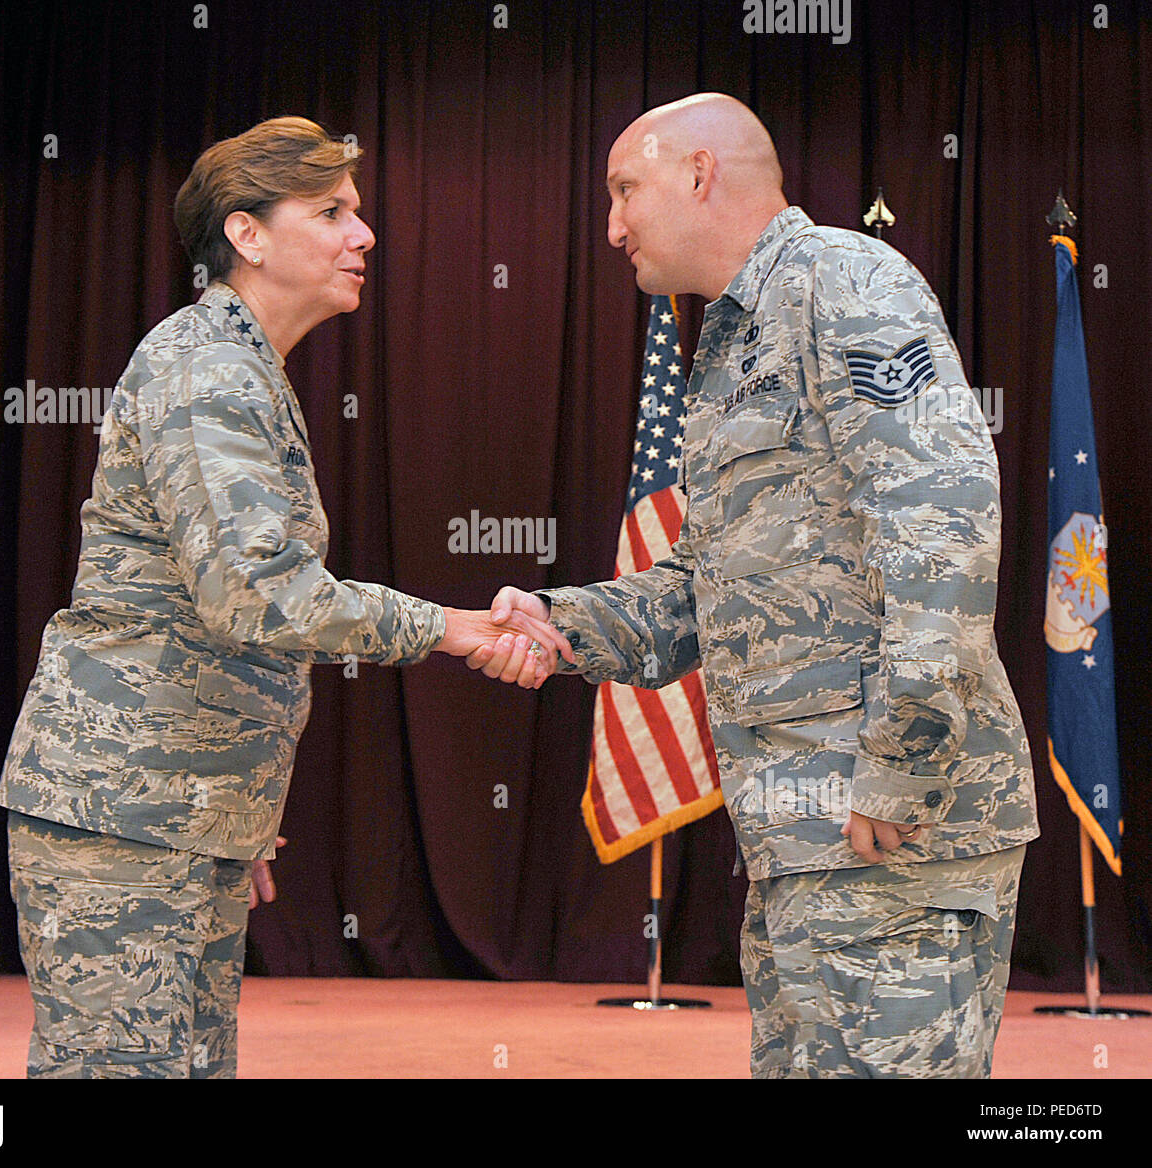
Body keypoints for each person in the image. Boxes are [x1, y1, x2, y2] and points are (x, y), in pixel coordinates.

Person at [474, 93, 1039, 1078]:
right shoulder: (728, 345)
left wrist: (901, 762)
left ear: (698, 174)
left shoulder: (845, 281)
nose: (610, 225)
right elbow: (704, 586)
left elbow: (943, 528)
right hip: (801, 838)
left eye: (623, 190)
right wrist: (558, 624)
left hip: (893, 830)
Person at [0, 115, 570, 1079]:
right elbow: (258, 597)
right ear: (247, 235)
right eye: (332, 211)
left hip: (183, 813)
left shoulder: (247, 364)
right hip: (122, 819)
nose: (365, 234)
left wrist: (237, 810)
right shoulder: (208, 366)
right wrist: (456, 630)